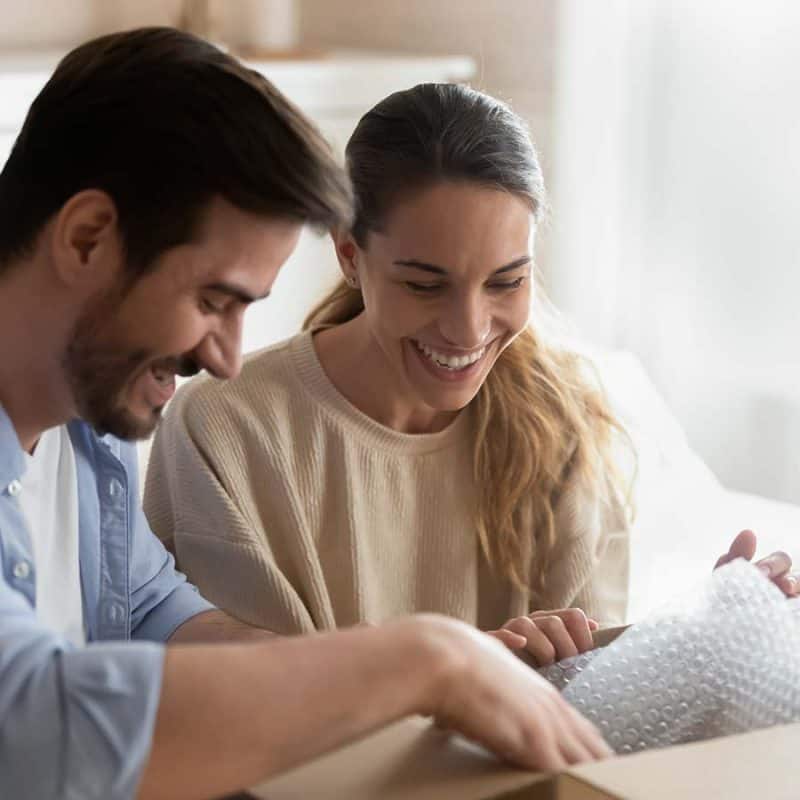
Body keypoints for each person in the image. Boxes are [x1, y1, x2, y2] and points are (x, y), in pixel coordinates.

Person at [0, 29, 617, 800]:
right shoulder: (171, 408)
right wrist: (422, 661)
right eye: (212, 302)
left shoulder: (90, 426)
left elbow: (156, 610)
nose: (225, 358)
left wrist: (408, 676)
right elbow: (25, 724)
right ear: (88, 238)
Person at [145, 83, 799, 669]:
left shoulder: (568, 428)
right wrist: (459, 671)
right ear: (349, 253)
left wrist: (703, 645)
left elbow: (597, 714)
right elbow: (247, 706)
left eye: (506, 281)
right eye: (425, 285)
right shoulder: (224, 426)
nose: (468, 329)